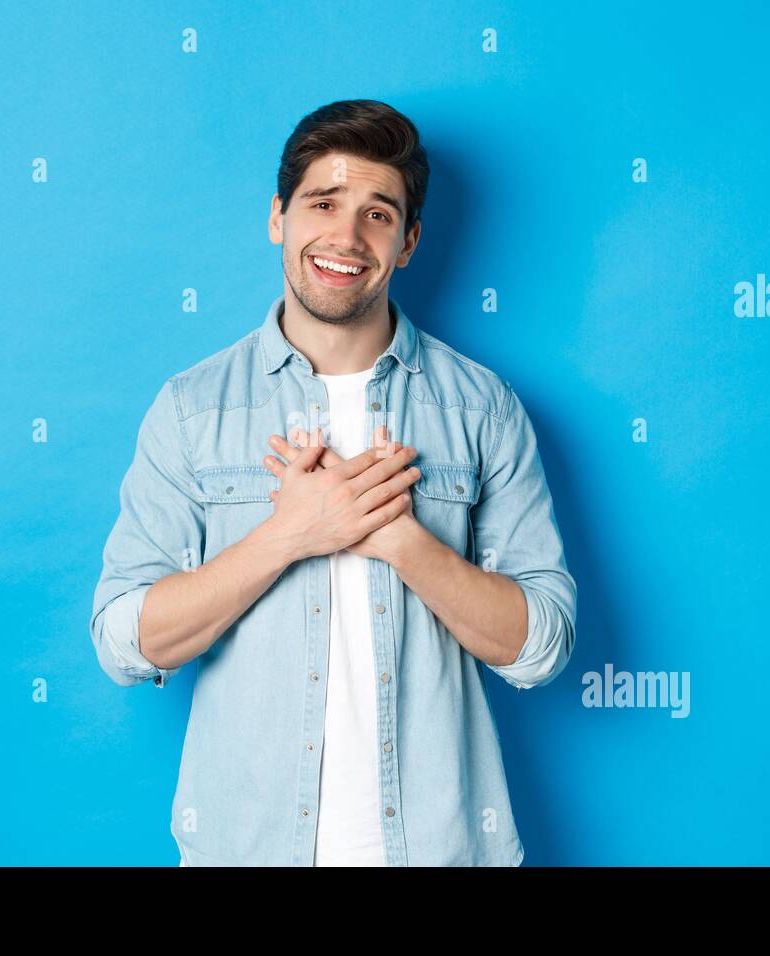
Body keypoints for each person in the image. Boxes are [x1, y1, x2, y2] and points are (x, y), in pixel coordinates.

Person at [90, 99, 577, 866]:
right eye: (323, 203)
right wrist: (292, 534)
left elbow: (542, 646)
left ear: (409, 242)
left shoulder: (483, 408)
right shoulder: (192, 409)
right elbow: (126, 642)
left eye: (378, 214)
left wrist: (402, 540)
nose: (346, 237)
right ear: (279, 217)